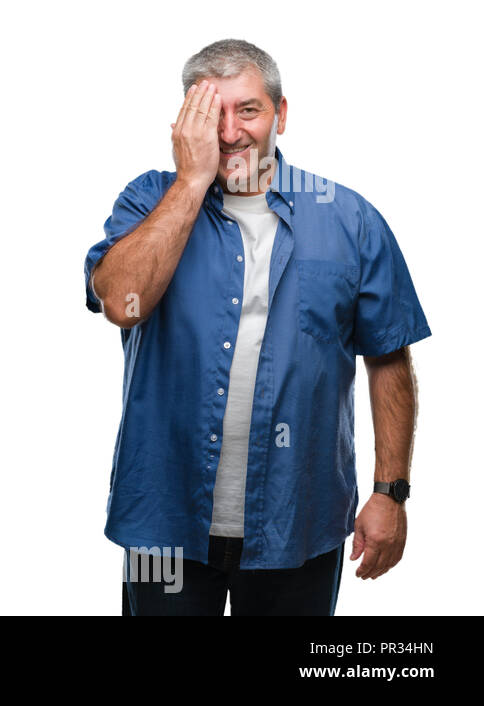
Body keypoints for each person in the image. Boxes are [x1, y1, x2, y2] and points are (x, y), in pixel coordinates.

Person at [84, 39, 428, 616]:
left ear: (281, 115)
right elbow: (122, 302)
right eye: (210, 113)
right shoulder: (148, 200)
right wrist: (191, 183)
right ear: (183, 122)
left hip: (300, 524)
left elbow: (389, 359)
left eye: (248, 110)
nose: (230, 131)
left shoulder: (351, 219)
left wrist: (390, 492)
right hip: (162, 523)